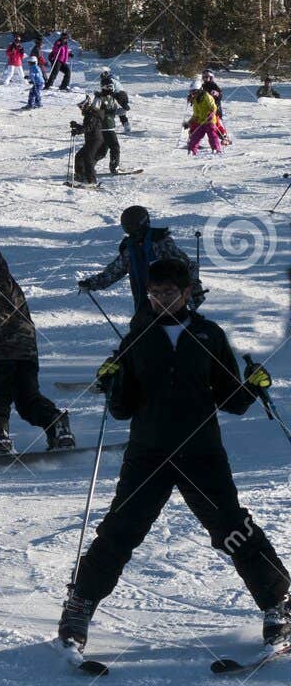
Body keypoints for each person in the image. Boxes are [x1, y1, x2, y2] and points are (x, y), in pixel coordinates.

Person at [57, 256, 290, 659]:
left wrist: (254, 385)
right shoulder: (137, 337)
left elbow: (231, 400)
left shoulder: (208, 335)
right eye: (154, 292)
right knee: (120, 530)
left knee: (232, 528)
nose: (160, 299)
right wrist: (111, 381)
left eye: (168, 292)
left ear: (186, 293)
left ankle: (278, 604)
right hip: (148, 453)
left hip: (201, 452)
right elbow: (122, 409)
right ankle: (79, 606)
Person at [0, 241, 72, 455]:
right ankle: (57, 425)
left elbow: (0, 312)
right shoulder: (7, 282)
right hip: (25, 354)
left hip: (2, 352)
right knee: (27, 399)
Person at [77, 205, 203, 310]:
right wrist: (90, 283)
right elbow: (113, 272)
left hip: (172, 304)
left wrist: (189, 297)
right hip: (144, 305)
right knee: (140, 331)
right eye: (128, 228)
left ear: (142, 223)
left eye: (133, 226)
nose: (131, 231)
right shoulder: (131, 248)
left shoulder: (161, 243)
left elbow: (185, 268)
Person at [94, 72, 130, 174]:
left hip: (109, 126)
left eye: (112, 86)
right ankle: (114, 167)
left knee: (102, 151)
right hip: (104, 127)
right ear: (104, 87)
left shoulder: (112, 97)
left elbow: (114, 111)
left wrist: (123, 109)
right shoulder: (99, 98)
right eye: (108, 86)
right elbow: (93, 112)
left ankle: (86, 166)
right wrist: (105, 113)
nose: (111, 88)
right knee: (115, 147)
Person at [69, 94, 105, 185]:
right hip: (91, 139)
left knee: (88, 159)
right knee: (79, 156)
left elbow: (89, 127)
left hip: (95, 140)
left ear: (86, 104)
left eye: (81, 106)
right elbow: (87, 127)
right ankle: (80, 175)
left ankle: (91, 180)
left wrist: (78, 131)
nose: (80, 109)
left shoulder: (92, 114)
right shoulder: (89, 114)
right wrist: (76, 126)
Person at [186, 87, 222, 155]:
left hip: (209, 121)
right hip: (200, 122)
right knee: (195, 136)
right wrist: (189, 122)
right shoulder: (196, 100)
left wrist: (211, 114)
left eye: (194, 92)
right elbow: (196, 114)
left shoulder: (206, 96)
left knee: (212, 135)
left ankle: (216, 148)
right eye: (191, 92)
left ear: (199, 90)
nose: (192, 94)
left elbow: (213, 107)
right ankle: (192, 150)